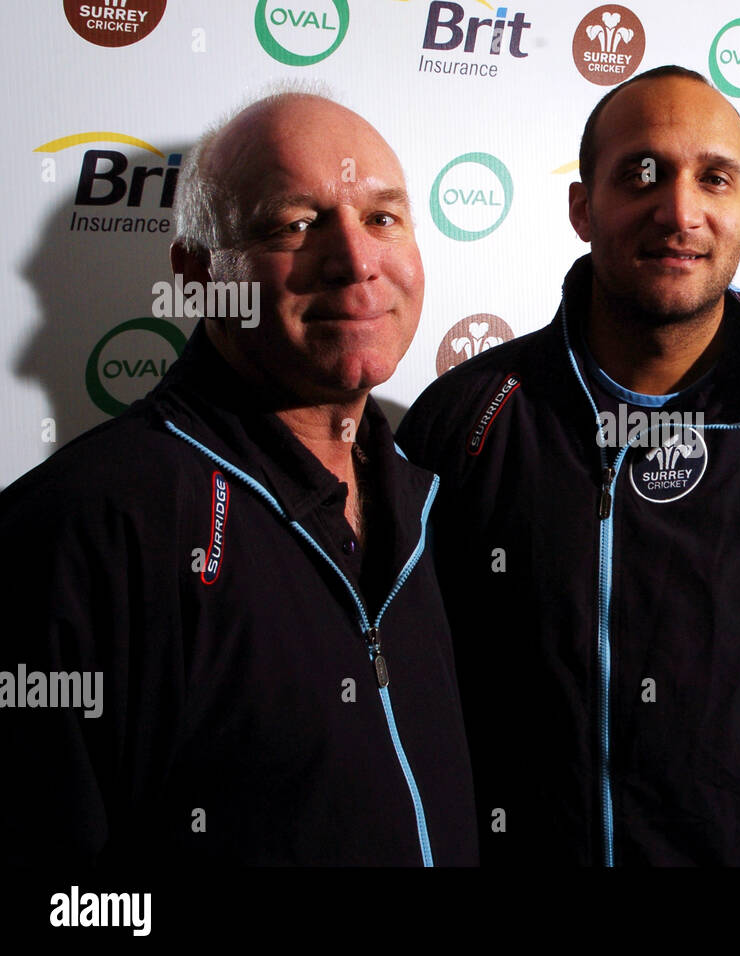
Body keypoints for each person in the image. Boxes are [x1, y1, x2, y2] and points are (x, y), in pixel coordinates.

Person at [397, 66, 740, 866]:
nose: (680, 211)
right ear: (583, 207)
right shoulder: (469, 417)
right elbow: (424, 672)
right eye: (642, 173)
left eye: (714, 178)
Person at [0, 92, 477, 865]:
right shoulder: (85, 527)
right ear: (196, 273)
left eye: (383, 218)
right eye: (294, 225)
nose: (357, 260)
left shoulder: (426, 500)